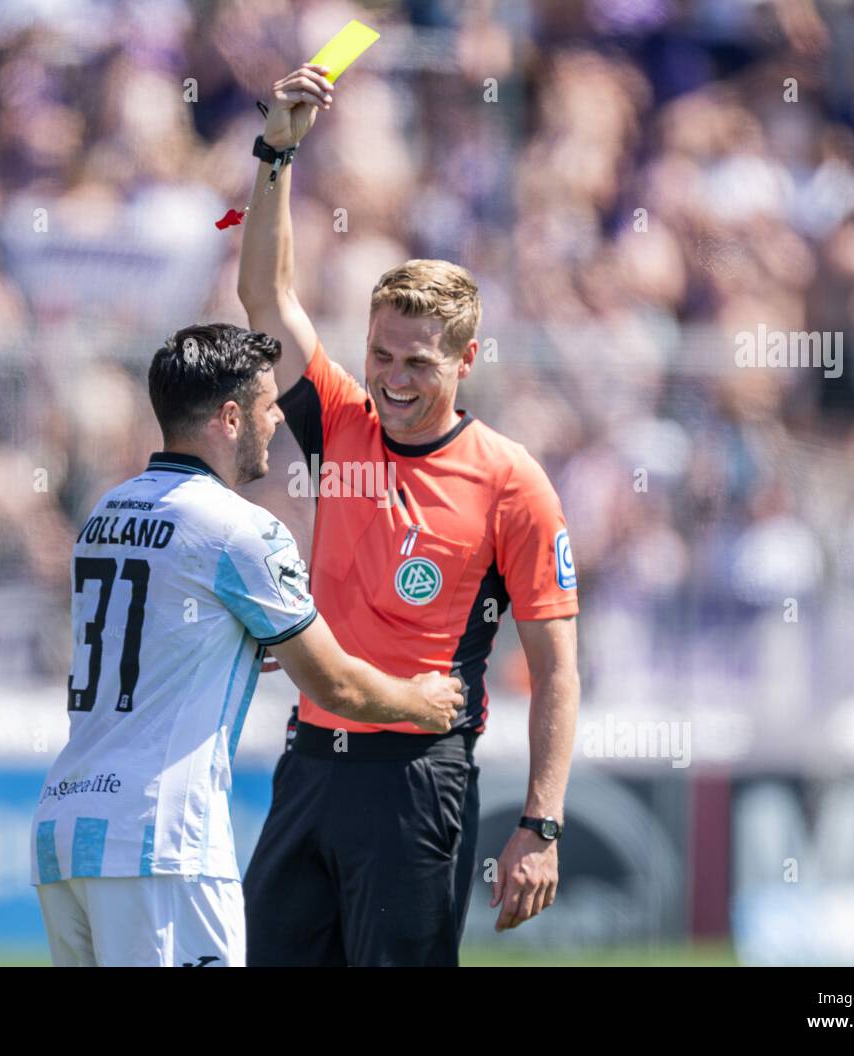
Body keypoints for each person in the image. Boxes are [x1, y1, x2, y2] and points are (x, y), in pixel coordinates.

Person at [237, 64, 582, 966]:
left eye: (418, 363)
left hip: (418, 782)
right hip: (309, 765)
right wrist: (276, 152)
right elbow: (267, 297)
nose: (392, 378)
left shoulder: (511, 481)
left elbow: (556, 669)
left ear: (466, 360)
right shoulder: (341, 421)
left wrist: (541, 823)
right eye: (381, 354)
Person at [30, 323, 463, 967]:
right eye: (267, 405)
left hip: (67, 832)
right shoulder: (239, 528)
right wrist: (419, 700)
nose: (278, 417)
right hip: (159, 842)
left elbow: (154, 639)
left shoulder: (105, 513)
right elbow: (334, 683)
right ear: (230, 419)